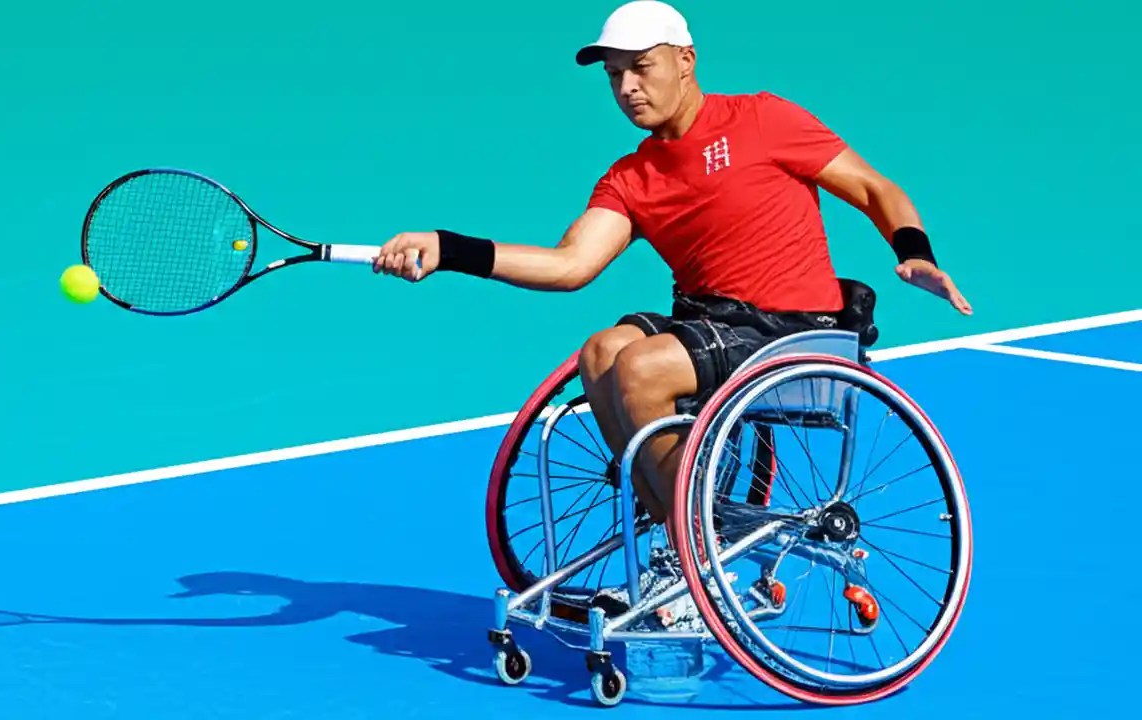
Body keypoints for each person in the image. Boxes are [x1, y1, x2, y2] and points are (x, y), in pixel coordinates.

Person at [372, 0, 970, 554]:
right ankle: (675, 532)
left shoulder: (762, 118)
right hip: (713, 328)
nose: (627, 88)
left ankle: (695, 551)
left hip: (794, 330)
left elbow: (872, 187)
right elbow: (569, 264)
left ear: (686, 61)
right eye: (614, 76)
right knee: (602, 352)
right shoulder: (631, 178)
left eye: (641, 68)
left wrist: (915, 252)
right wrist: (449, 249)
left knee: (642, 366)